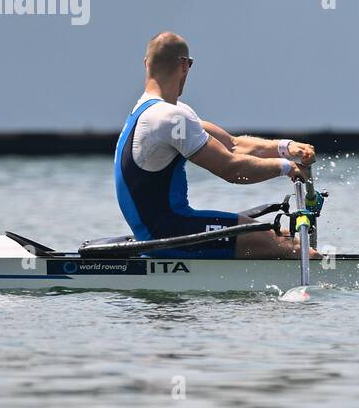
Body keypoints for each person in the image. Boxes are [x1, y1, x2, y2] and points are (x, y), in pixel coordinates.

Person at [115, 32, 316, 258]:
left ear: (146, 64)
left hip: (161, 230)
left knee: (286, 238)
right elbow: (232, 169)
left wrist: (286, 147)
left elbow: (232, 145)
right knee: (295, 248)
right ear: (185, 65)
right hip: (169, 232)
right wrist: (287, 168)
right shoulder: (171, 117)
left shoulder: (155, 111)